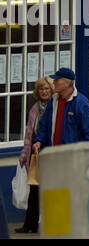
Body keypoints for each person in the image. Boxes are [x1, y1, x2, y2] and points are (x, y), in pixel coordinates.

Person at [31, 67, 89, 152]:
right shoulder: (53, 100)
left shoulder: (81, 104)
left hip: (72, 157)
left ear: (67, 83)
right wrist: (39, 141)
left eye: (57, 80)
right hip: (52, 154)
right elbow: (44, 125)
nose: (54, 82)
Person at [16, 77, 54, 233]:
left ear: (52, 91)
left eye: (46, 89)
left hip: (50, 150)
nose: (44, 92)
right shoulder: (34, 108)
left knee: (51, 189)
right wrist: (25, 153)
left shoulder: (55, 106)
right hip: (36, 151)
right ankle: (29, 224)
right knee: (34, 190)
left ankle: (50, 224)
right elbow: (29, 133)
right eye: (41, 89)